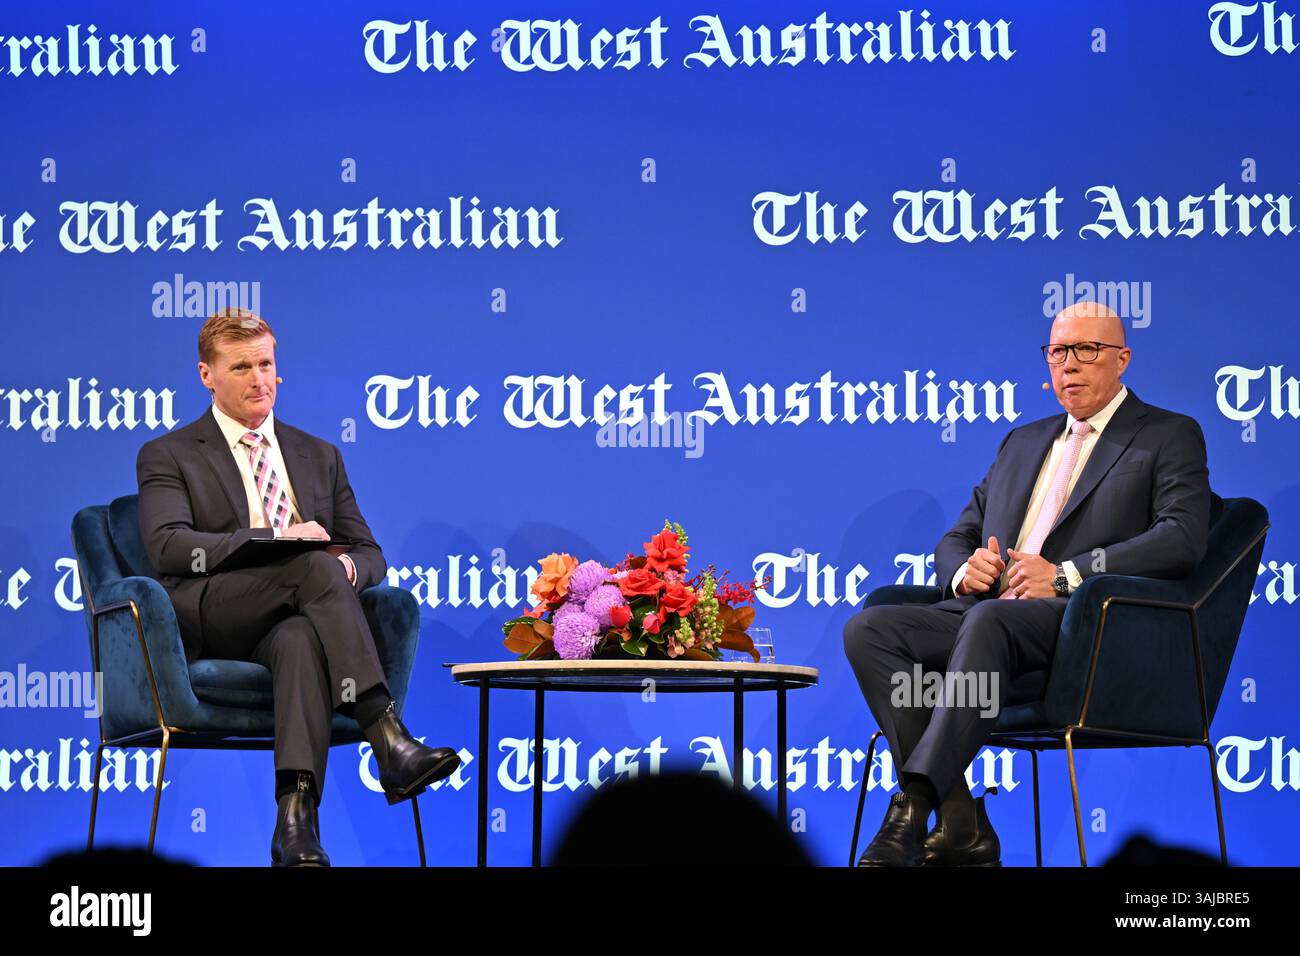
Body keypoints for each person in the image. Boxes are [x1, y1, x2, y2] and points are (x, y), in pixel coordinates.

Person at [842, 301, 1211, 866]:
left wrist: (1066, 576)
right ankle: (959, 816)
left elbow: (1180, 538)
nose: (1069, 366)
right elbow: (958, 535)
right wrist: (966, 570)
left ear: (1122, 360)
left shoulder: (1166, 434)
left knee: (991, 621)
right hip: (988, 622)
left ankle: (912, 807)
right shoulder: (1022, 442)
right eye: (1058, 352)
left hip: (1083, 628)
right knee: (871, 629)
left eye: (1087, 351)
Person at [136, 308, 459, 867]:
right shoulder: (170, 453)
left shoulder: (318, 454)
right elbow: (168, 546)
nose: (259, 379)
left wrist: (345, 571)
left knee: (298, 640)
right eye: (241, 367)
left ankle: (295, 827)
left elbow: (370, 552)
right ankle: (387, 737)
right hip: (214, 609)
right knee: (312, 567)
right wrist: (274, 540)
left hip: (296, 615)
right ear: (206, 375)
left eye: (266, 364)